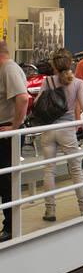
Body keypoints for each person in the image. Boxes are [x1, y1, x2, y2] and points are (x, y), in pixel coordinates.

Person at [39, 48, 83, 222]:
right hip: (67, 130)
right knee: (76, 171)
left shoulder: (47, 81)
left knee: (49, 171)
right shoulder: (78, 83)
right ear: (71, 63)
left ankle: (50, 210)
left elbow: (38, 103)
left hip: (49, 130)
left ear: (53, 64)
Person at [0, 38, 28, 240]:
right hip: (4, 130)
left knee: (6, 181)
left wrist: (14, 126)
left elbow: (23, 97)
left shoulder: (9, 69)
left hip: (7, 132)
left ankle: (10, 227)